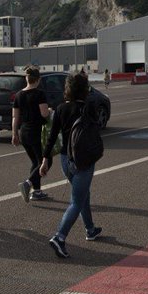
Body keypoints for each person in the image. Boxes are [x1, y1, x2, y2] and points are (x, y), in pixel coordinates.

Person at [40, 73, 102, 258]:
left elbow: (52, 137)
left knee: (84, 194)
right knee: (76, 200)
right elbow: (96, 127)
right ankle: (59, 237)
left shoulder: (60, 109)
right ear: (85, 88)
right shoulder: (88, 108)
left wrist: (45, 159)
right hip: (83, 160)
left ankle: (90, 229)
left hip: (65, 160)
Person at [13, 66, 51, 202]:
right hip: (36, 132)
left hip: (23, 132)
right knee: (46, 161)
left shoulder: (18, 95)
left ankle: (37, 192)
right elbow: (44, 114)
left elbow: (15, 117)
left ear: (26, 78)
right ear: (38, 79)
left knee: (35, 162)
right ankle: (27, 184)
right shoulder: (39, 94)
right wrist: (50, 111)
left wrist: (14, 134)